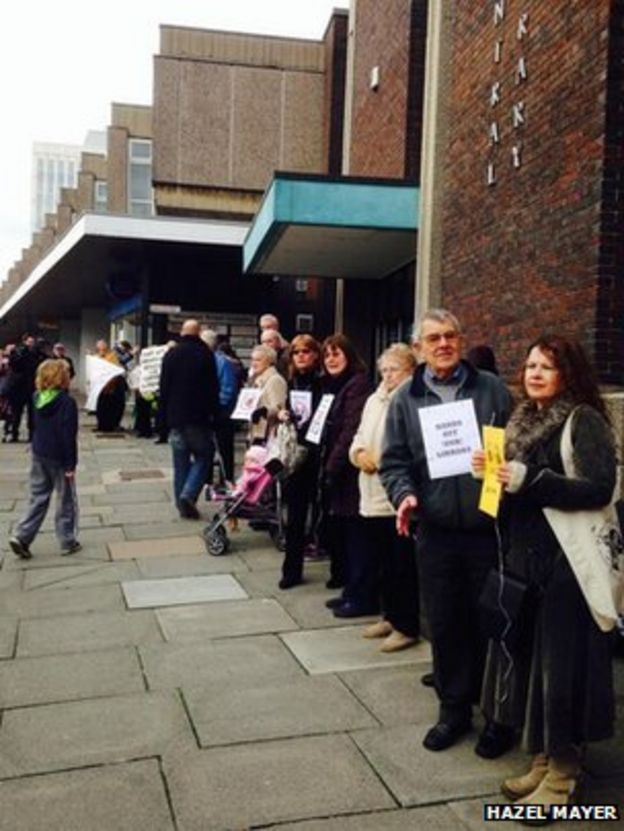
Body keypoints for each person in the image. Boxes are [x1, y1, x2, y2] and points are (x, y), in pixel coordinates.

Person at [473, 335, 617, 812]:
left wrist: (527, 479)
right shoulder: (522, 419)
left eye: (547, 367)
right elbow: (514, 489)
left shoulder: (584, 420)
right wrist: (491, 476)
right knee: (535, 667)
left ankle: (564, 770)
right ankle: (542, 757)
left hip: (567, 569)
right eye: (530, 364)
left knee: (563, 669)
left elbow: (599, 489)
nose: (534, 373)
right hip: (527, 565)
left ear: (568, 375)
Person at [379, 309, 513, 754]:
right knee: (446, 621)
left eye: (450, 336)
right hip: (435, 530)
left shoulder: (492, 389)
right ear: (418, 348)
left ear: (461, 340)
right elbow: (394, 461)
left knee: (492, 623)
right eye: (433, 338)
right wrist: (405, 495)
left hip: (485, 527)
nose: (443, 345)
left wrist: (502, 470)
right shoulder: (405, 399)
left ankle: (498, 716)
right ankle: (453, 710)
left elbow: (514, 446)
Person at [349, 343, 420, 652]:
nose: (389, 376)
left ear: (411, 371)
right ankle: (389, 616)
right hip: (370, 493)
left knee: (401, 565)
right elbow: (360, 435)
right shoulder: (374, 400)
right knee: (382, 562)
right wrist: (359, 453)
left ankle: (406, 625)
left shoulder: (410, 399)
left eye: (396, 370)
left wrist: (383, 461)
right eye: (385, 370)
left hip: (396, 497)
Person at [319, 334, 372, 612]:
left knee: (357, 539)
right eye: (327, 355)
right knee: (346, 537)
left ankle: (361, 596)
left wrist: (332, 466)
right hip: (340, 473)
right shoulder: (337, 386)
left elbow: (350, 430)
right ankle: (352, 589)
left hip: (351, 473)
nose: (331, 359)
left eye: (336, 353)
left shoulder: (357, 385)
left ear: (349, 356)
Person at [8, 359, 80, 559]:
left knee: (38, 497)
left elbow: (33, 424)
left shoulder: (36, 397)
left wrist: (33, 442)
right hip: (59, 456)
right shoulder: (67, 403)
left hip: (40, 452)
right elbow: (68, 435)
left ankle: (22, 535)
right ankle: (67, 540)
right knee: (65, 499)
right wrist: (70, 464)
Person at [159, 319, 219, 520]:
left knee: (180, 462)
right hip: (198, 418)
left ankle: (181, 503)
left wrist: (162, 418)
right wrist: (215, 414)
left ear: (182, 333)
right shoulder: (205, 354)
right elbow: (213, 388)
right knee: (205, 455)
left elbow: (164, 388)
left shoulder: (171, 354)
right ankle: (189, 494)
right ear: (199, 333)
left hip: (175, 417)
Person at [277, 334, 323, 589]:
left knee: (321, 514)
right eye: (296, 352)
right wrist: (283, 413)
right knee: (293, 515)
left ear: (315, 354)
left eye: (306, 351)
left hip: (318, 454)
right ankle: (291, 570)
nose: (302, 355)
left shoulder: (322, 383)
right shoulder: (292, 381)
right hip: (296, 456)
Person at [200, 328, 238, 483]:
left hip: (221, 414)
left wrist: (215, 407)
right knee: (206, 448)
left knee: (224, 449)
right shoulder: (205, 360)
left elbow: (228, 389)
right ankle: (207, 479)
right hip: (207, 412)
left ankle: (227, 478)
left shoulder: (222, 362)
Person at [247, 345, 287, 446]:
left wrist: (262, 412)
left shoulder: (275, 380)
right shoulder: (258, 379)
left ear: (269, 362)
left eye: (258, 360)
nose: (253, 364)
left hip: (268, 436)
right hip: (256, 433)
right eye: (252, 360)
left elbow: (279, 408)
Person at [7, 333, 43, 442]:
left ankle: (31, 435)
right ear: (24, 341)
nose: (31, 344)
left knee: (31, 413)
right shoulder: (18, 352)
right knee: (16, 412)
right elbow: (13, 364)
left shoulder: (35, 353)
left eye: (32, 342)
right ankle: (14, 434)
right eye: (29, 342)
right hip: (19, 387)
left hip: (31, 387)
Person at [94, 339, 126, 432]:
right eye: (99, 349)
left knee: (112, 407)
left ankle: (112, 425)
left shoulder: (112, 356)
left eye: (103, 348)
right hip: (101, 388)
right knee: (101, 407)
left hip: (112, 387)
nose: (101, 351)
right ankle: (102, 425)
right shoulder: (97, 357)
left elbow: (114, 369)